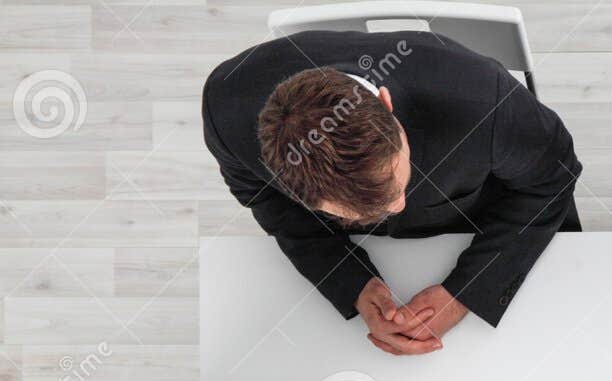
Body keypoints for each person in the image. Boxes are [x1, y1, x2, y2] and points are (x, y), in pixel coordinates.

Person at [202, 32, 581, 355]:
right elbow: (267, 202)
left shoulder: (483, 101)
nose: (397, 206)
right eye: (358, 209)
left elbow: (554, 176)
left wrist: (469, 289)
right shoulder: (226, 111)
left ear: (386, 103)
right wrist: (352, 282)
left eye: (396, 183)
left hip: (492, 213)